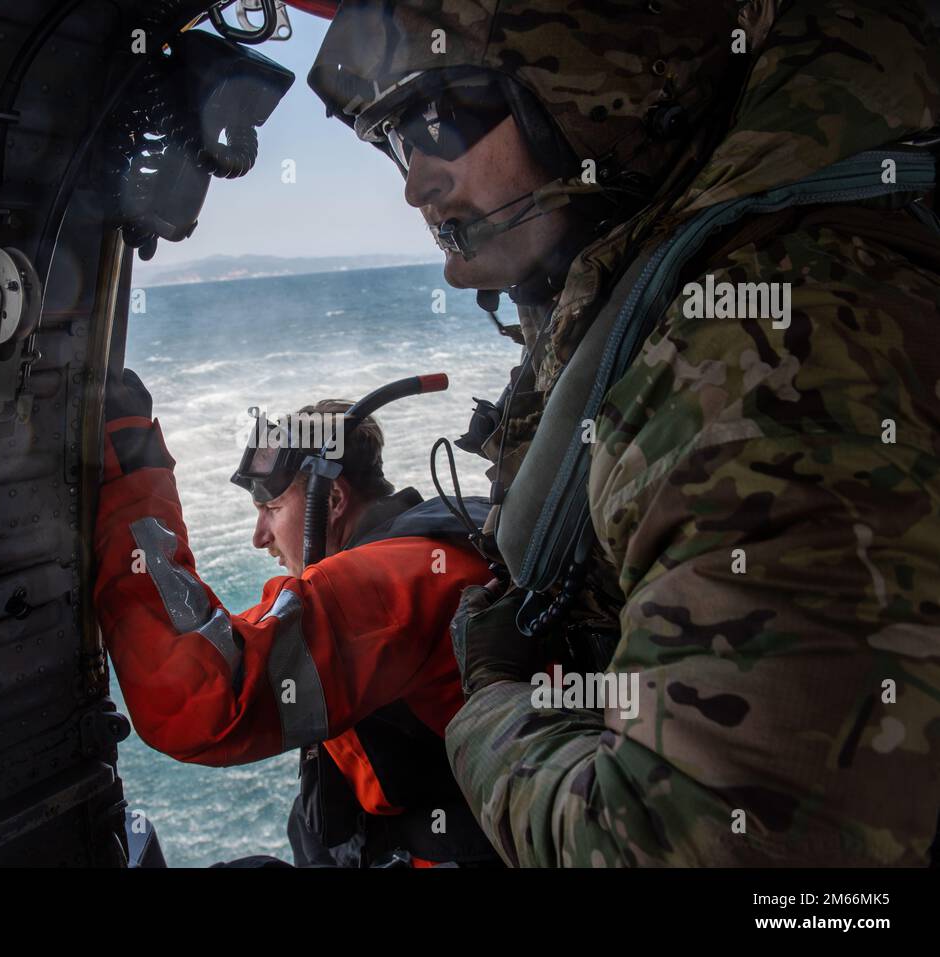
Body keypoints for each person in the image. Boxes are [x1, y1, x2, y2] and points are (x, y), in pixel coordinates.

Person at [306, 0, 940, 865]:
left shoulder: (753, 353)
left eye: (438, 117)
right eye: (395, 140)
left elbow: (685, 847)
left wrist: (491, 704)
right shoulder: (676, 292)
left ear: (600, 87)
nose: (416, 180)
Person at [93, 373, 500, 866]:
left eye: (270, 508)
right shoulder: (442, 539)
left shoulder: (384, 587)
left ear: (332, 501)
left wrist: (130, 474)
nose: (259, 537)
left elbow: (198, 702)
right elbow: (262, 639)